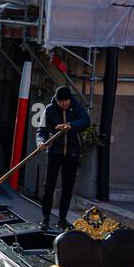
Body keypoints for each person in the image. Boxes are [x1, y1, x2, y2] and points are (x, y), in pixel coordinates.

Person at [36, 86, 91, 231]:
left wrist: (70, 126)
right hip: (54, 153)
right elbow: (42, 130)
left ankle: (62, 219)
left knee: (67, 188)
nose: (64, 104)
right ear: (57, 100)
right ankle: (45, 219)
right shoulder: (49, 109)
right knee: (49, 186)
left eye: (66, 101)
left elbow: (86, 121)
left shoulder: (76, 107)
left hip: (72, 153)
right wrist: (41, 141)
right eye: (61, 102)